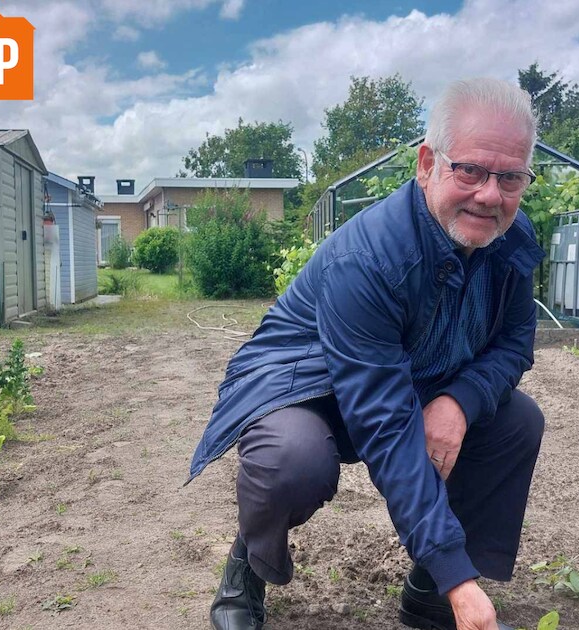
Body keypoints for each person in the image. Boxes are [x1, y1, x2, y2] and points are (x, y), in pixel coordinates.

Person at [187, 76, 547, 630]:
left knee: (515, 421)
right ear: (427, 163)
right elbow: (383, 420)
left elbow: (515, 341)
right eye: (469, 169)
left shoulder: (511, 239)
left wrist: (458, 401)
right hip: (307, 386)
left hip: (413, 379)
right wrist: (461, 578)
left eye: (511, 177)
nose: (490, 195)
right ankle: (249, 562)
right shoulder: (371, 258)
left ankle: (427, 594)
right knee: (291, 460)